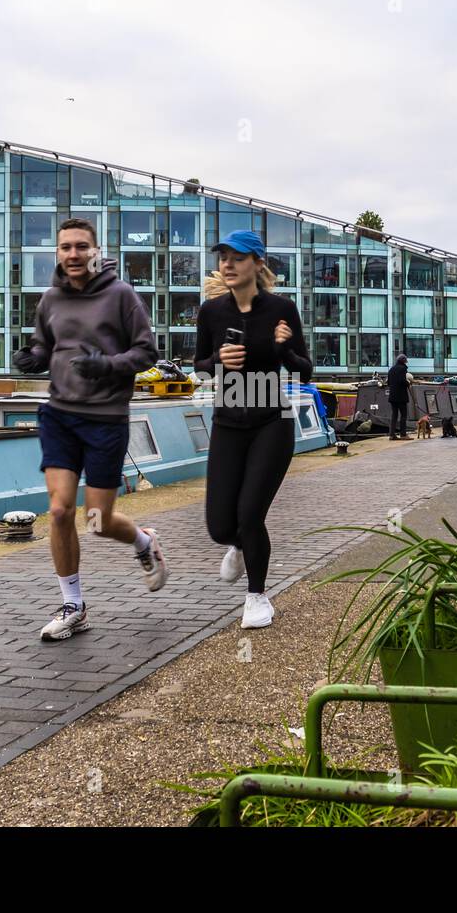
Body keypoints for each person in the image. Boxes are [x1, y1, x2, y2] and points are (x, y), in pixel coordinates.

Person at [12, 217, 168, 641]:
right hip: (60, 414)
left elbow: (147, 352)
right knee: (60, 511)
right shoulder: (50, 299)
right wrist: (33, 356)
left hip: (105, 418)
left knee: (97, 521)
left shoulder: (120, 296)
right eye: (66, 248)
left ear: (95, 251)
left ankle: (142, 540)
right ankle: (74, 606)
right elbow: (46, 344)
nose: (74, 255)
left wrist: (107, 366)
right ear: (57, 253)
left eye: (82, 247)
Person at [194, 230, 312, 630]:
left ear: (258, 264)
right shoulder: (211, 312)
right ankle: (239, 546)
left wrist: (283, 350)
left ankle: (257, 597)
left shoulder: (282, 309)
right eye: (223, 256)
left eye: (237, 257)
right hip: (227, 421)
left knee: (249, 514)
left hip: (270, 421)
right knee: (219, 526)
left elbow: (304, 370)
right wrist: (216, 360)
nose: (228, 263)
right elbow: (199, 366)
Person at [387, 354, 412, 439]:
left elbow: (389, 383)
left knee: (394, 415)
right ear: (403, 361)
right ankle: (403, 434)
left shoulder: (391, 369)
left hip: (392, 396)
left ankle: (392, 434)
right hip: (401, 396)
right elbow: (402, 381)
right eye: (405, 361)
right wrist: (408, 383)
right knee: (403, 415)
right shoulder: (403, 369)